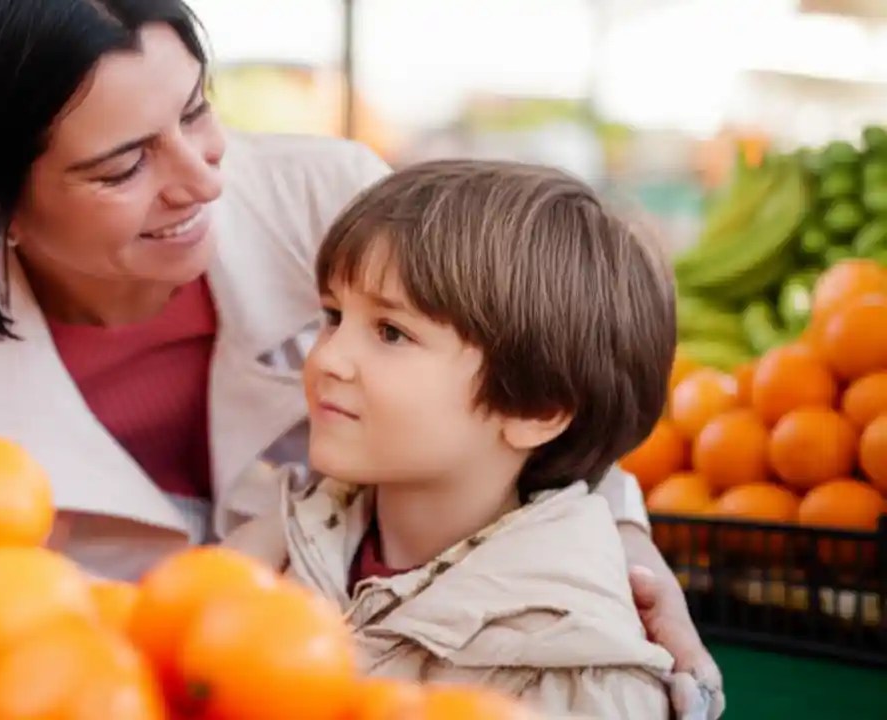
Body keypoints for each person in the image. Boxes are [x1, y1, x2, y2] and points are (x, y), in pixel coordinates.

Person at [0, 0, 720, 695]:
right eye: (123, 168)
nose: (202, 181)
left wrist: (620, 550)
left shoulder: (335, 201)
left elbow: (530, 368)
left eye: (196, 109)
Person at [224, 159, 723, 718]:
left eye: (391, 332)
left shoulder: (582, 678)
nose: (328, 358)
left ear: (537, 408)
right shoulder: (278, 552)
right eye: (335, 315)